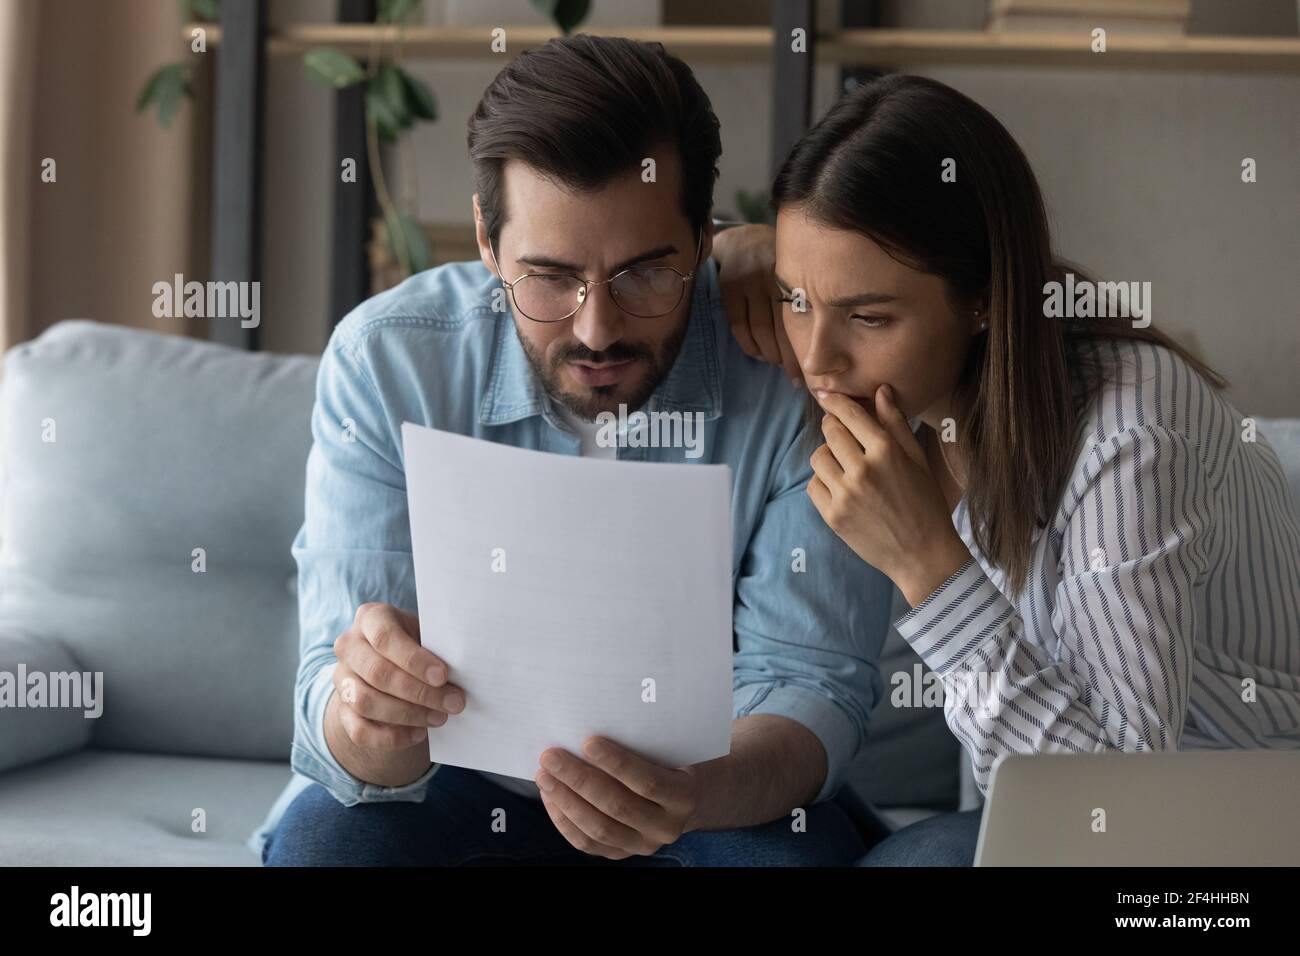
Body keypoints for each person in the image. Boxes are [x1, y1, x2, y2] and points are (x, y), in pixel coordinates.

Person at [254, 35, 895, 867]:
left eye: (644, 274)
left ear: (705, 236)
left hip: (713, 788)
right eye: (550, 277)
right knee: (325, 844)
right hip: (453, 787)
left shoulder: (791, 364)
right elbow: (331, 694)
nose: (596, 330)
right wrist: (370, 720)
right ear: (487, 241)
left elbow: (812, 682)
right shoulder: (387, 362)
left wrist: (689, 797)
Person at [711, 73, 1300, 866]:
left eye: (869, 316)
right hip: (1040, 812)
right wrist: (727, 247)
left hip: (1216, 835)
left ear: (984, 297)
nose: (816, 360)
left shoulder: (1133, 435)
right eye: (795, 302)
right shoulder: (913, 402)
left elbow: (1109, 808)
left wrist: (930, 567)